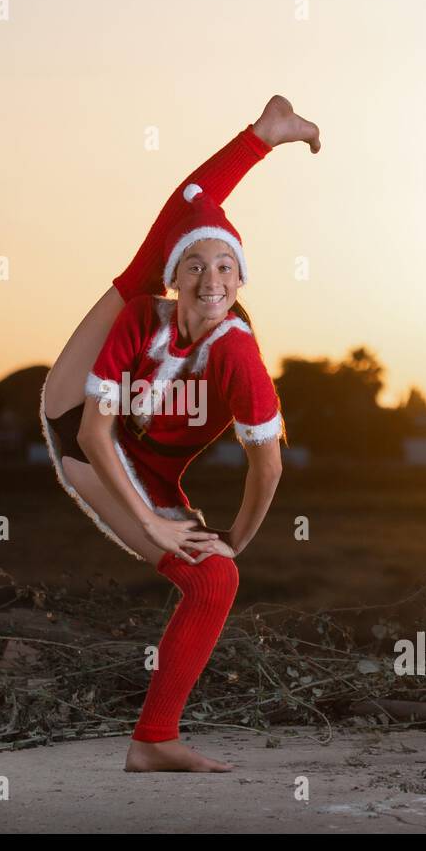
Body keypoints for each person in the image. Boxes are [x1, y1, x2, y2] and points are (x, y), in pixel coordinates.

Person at [40, 95, 321, 772]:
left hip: (149, 468)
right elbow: (91, 431)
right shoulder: (146, 310)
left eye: (224, 269)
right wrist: (154, 523)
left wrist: (234, 539)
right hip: (79, 427)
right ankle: (267, 127)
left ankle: (152, 741)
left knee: (217, 578)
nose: (208, 280)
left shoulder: (239, 360)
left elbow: (269, 469)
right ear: (180, 279)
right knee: (175, 227)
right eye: (194, 268)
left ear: (239, 284)